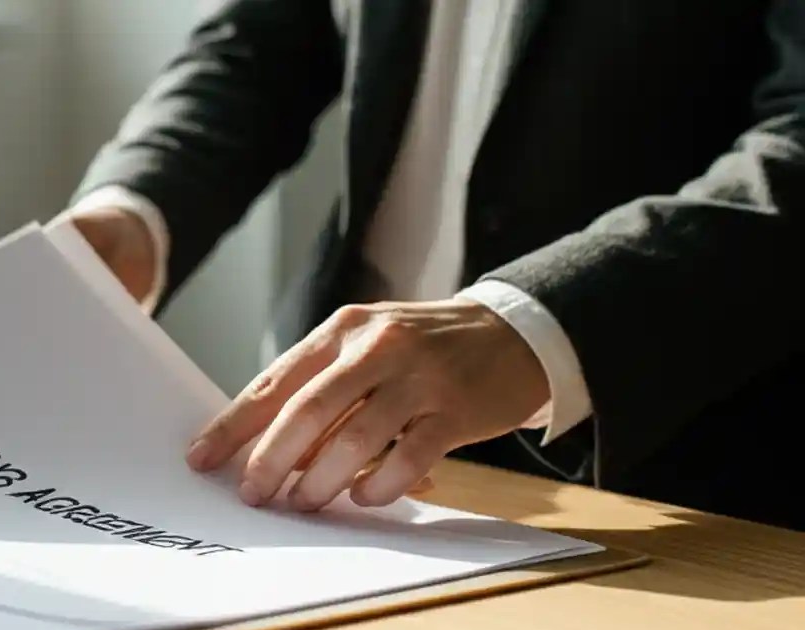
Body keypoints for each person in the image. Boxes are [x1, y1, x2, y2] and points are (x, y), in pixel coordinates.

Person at [64, 1, 804, 529]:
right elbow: (260, 46)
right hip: (322, 451)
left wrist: (535, 325)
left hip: (669, 485)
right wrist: (135, 207)